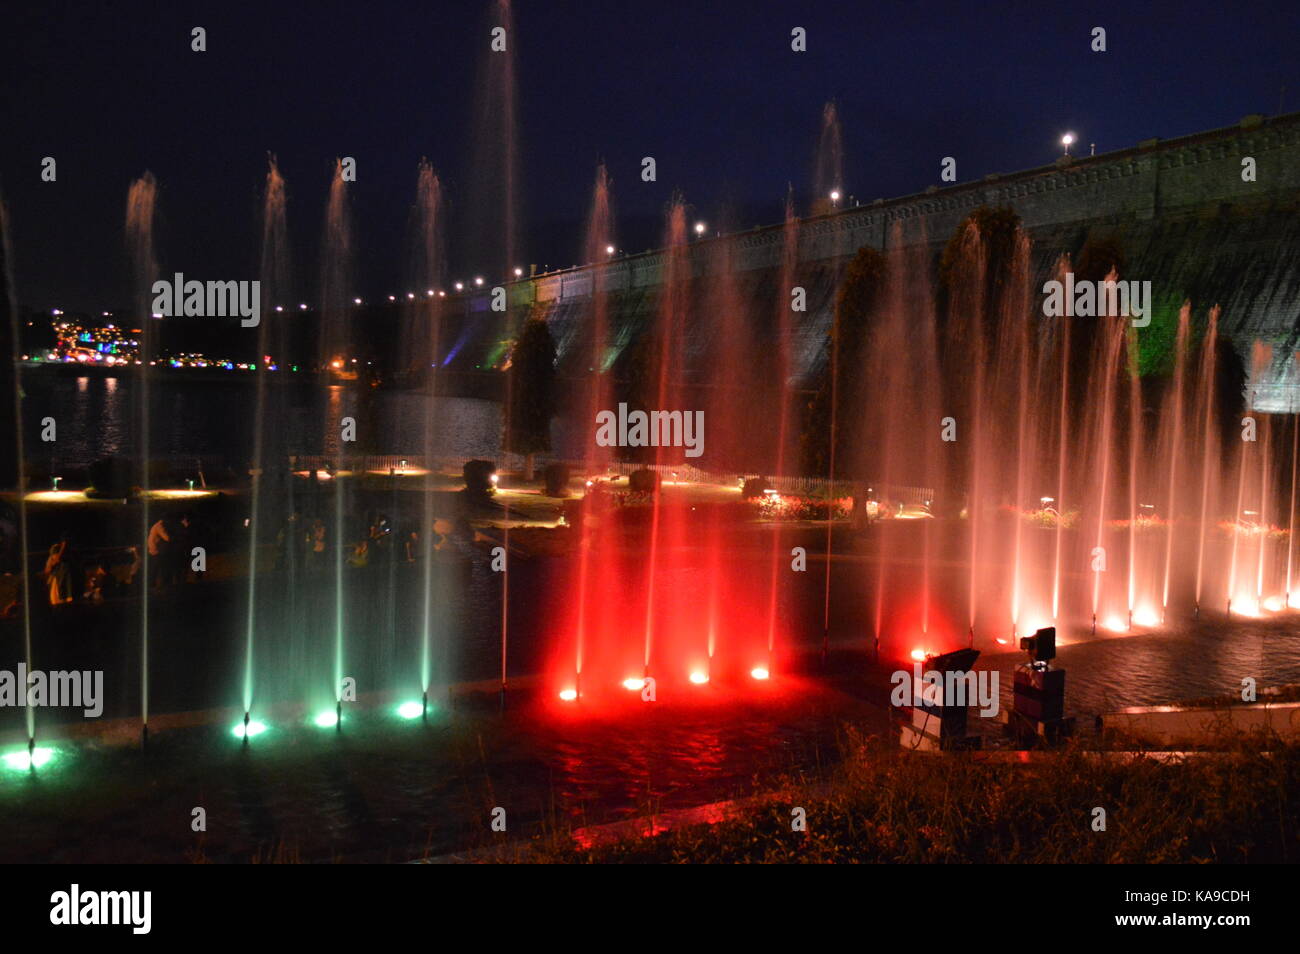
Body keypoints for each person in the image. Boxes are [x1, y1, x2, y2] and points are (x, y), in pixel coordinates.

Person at [44, 541, 73, 605]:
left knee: (60, 599)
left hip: (61, 584)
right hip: (57, 582)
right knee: (55, 598)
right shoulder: (54, 564)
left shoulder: (64, 565)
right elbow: (47, 570)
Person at [147, 516, 171, 589]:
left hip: (152, 550)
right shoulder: (159, 526)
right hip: (155, 550)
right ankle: (155, 585)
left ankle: (152, 585)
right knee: (157, 568)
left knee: (154, 568)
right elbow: (166, 538)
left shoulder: (155, 525)